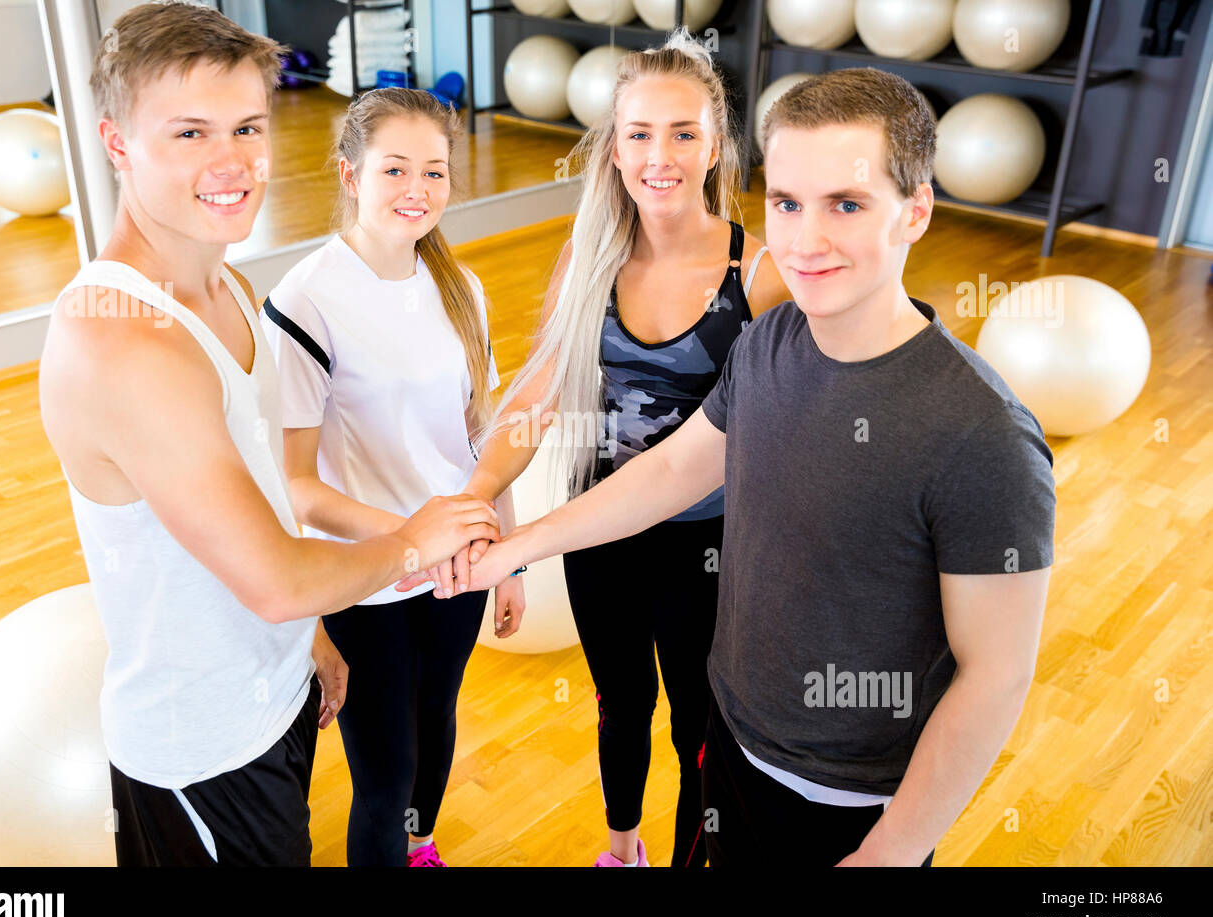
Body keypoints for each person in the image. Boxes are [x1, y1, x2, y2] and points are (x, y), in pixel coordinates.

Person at [444, 66, 1057, 867]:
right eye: (789, 203)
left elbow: (998, 676)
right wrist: (509, 542)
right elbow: (667, 473)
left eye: (847, 203)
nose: (806, 239)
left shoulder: (984, 436)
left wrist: (892, 854)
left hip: (847, 804)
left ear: (916, 210)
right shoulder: (769, 347)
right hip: (734, 751)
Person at [37, 2, 498, 867]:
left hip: (274, 696)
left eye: (248, 126)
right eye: (189, 133)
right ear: (115, 140)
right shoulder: (124, 341)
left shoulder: (228, 290)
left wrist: (308, 643)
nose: (232, 161)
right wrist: (413, 539)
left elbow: (260, 507)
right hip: (203, 750)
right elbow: (279, 580)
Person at [406, 29, 786, 868]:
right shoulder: (588, 258)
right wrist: (476, 500)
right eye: (641, 134)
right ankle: (622, 852)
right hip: (600, 532)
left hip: (711, 545)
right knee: (620, 702)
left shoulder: (756, 274)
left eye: (684, 133)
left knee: (697, 722)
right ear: (615, 148)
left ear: (715, 144)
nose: (662, 155)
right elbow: (536, 395)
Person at [259, 87, 524, 868]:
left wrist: (505, 554)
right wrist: (412, 540)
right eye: (395, 170)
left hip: (458, 567)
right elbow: (296, 488)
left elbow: (484, 434)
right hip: (365, 579)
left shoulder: (461, 288)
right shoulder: (303, 303)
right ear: (350, 175)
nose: (418, 191)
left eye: (435, 173)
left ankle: (421, 848)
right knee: (386, 772)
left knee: (436, 722)